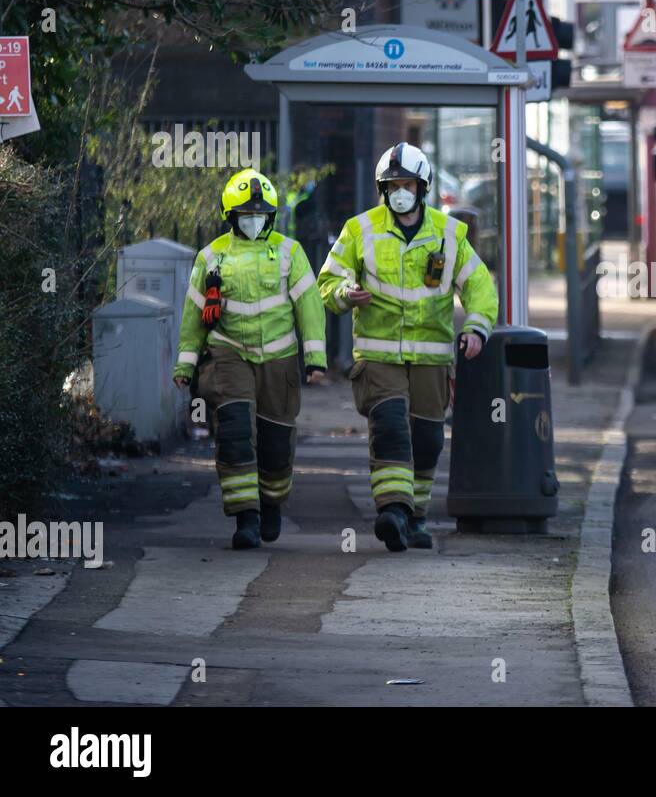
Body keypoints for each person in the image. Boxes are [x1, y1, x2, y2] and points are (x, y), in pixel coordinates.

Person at [318, 143, 497, 551]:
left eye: (407, 184)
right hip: (378, 358)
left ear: (423, 187)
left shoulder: (449, 234)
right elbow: (326, 284)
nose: (400, 191)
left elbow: (479, 287)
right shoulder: (359, 229)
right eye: (392, 185)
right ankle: (392, 511)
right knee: (391, 428)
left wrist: (477, 328)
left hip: (431, 358)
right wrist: (346, 293)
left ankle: (414, 517)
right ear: (383, 190)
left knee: (428, 440)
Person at [172, 169, 328, 549]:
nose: (253, 220)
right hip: (229, 354)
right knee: (234, 432)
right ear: (231, 216)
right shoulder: (212, 257)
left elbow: (309, 306)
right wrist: (185, 364)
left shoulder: (290, 252)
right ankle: (246, 517)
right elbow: (193, 316)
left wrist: (315, 359)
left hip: (279, 358)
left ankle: (271, 503)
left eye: (259, 214)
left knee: (276, 441)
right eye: (245, 214)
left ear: (271, 216)